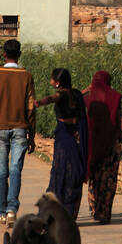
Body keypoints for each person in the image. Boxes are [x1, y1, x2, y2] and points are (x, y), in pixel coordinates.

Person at [0, 39, 36, 226]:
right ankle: (12, 210)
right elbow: (31, 108)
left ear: (4, 54)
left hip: (0, 128)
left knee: (2, 172)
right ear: (19, 54)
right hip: (21, 129)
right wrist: (33, 135)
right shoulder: (27, 76)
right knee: (15, 171)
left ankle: (1, 211)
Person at [82, 70, 122, 225]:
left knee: (95, 177)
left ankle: (94, 209)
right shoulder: (114, 96)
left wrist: (85, 90)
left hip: (94, 143)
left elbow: (70, 97)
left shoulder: (88, 98)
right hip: (112, 144)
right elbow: (120, 119)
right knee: (109, 179)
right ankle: (105, 213)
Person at [36, 68, 89, 220]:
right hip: (75, 137)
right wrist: (88, 89)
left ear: (58, 82)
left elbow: (51, 98)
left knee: (59, 172)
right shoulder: (76, 94)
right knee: (73, 173)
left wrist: (38, 103)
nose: (50, 81)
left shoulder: (60, 95)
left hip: (64, 136)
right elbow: (80, 94)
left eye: (52, 78)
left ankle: (52, 212)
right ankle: (70, 213)